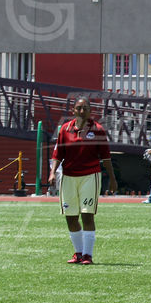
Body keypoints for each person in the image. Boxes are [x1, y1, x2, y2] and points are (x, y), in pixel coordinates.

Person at [47, 97, 118, 265]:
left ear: (90, 111)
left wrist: (113, 179)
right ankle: (78, 252)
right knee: (70, 217)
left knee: (87, 215)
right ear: (73, 110)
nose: (82, 111)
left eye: (85, 108)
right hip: (68, 177)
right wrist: (52, 173)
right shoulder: (65, 129)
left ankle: (88, 255)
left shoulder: (98, 129)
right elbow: (58, 154)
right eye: (79, 108)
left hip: (89, 176)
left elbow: (106, 157)